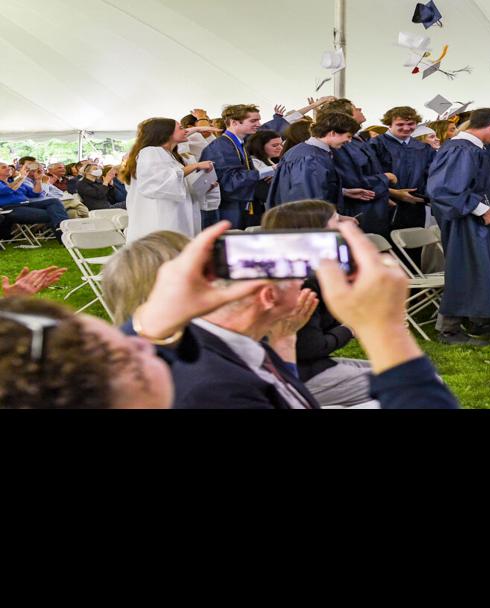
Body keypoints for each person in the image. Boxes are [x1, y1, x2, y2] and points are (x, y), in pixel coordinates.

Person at [2, 220, 460, 409]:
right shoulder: (212, 389)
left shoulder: (167, 349)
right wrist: (384, 333)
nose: (135, 340)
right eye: (122, 353)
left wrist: (151, 321)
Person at [262, 200, 379, 408]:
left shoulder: (294, 272)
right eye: (336, 221)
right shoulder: (298, 282)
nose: (345, 224)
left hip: (303, 368)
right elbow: (310, 347)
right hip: (296, 376)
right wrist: (350, 328)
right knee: (417, 384)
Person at [426, 107, 490, 346]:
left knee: (482, 269)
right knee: (465, 269)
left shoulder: (471, 149)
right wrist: (483, 209)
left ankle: (482, 319)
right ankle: (449, 330)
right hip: (464, 219)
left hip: (473, 217)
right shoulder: (461, 149)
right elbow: (444, 190)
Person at [123, 117, 217, 240]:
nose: (185, 131)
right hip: (161, 216)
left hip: (177, 215)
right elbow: (159, 181)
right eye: (180, 128)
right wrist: (195, 166)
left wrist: (204, 185)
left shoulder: (170, 155)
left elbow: (178, 185)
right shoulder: (150, 152)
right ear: (165, 132)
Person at [321, 99, 394, 234]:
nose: (359, 109)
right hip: (360, 209)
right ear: (346, 116)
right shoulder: (342, 144)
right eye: (355, 108)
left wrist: (385, 194)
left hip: (375, 206)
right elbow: (352, 181)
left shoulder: (356, 140)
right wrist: (385, 178)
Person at [269, 112, 361, 208]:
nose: (350, 141)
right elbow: (309, 199)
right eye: (348, 136)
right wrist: (337, 218)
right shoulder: (310, 159)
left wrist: (343, 192)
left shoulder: (309, 152)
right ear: (333, 133)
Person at [201, 104, 271, 229]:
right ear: (234, 122)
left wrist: (264, 176)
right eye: (253, 120)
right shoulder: (220, 147)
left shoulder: (237, 143)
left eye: (259, 120)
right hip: (229, 209)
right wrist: (269, 170)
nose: (259, 124)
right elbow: (231, 180)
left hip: (241, 205)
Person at [372, 107, 434, 236]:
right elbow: (370, 175)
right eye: (400, 124)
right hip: (387, 204)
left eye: (411, 124)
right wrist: (392, 193)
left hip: (416, 205)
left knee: (415, 246)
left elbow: (432, 175)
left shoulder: (423, 147)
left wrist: (427, 196)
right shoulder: (375, 145)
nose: (406, 128)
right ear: (389, 124)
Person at [0, 162, 70, 237]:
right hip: (11, 208)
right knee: (55, 214)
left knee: (54, 201)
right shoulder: (14, 182)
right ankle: (64, 235)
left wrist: (38, 180)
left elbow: (35, 194)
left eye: (8, 167)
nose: (9, 168)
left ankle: (63, 234)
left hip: (27, 204)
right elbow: (6, 190)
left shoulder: (13, 182)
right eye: (4, 167)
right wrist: (21, 177)